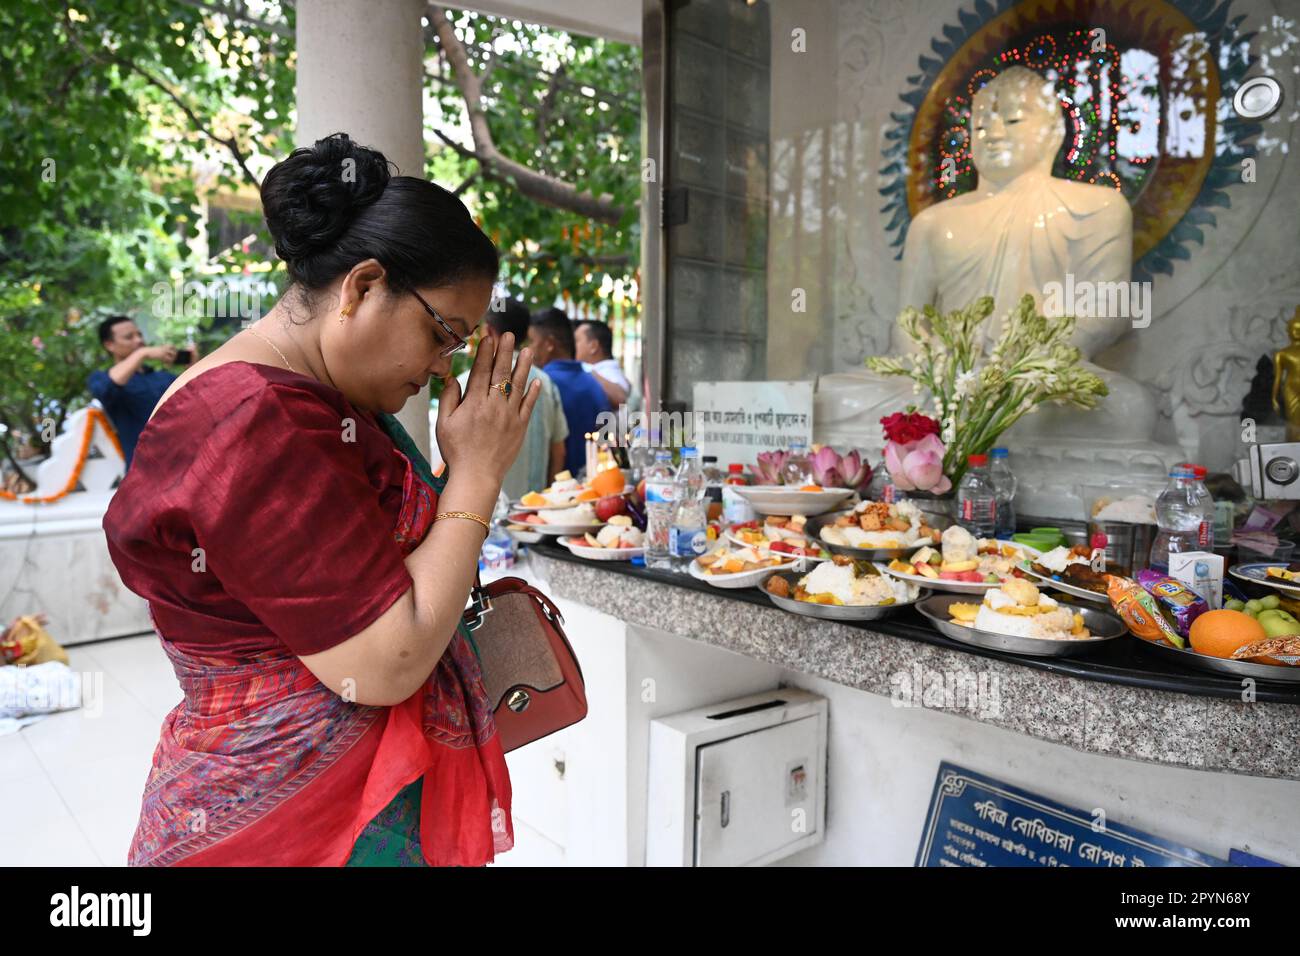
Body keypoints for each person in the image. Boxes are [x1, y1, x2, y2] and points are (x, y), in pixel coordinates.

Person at [101, 132, 542, 867]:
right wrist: (476, 474)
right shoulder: (258, 416)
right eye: (442, 335)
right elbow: (386, 662)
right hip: (295, 819)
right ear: (364, 287)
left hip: (330, 798)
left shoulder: (307, 398)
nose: (440, 370)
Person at [457, 298, 567, 499]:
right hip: (533, 515)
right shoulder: (545, 383)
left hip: (479, 515)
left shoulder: (467, 383)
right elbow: (558, 449)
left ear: (489, 331)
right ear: (526, 333)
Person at [88, 316, 200, 468]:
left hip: (187, 463)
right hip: (145, 471)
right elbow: (105, 390)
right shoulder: (101, 378)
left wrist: (193, 368)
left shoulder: (164, 377)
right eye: (129, 337)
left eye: (139, 335)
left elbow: (198, 402)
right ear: (109, 345)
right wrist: (142, 354)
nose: (138, 340)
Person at [527, 307, 610, 475]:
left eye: (530, 342)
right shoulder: (594, 384)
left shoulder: (541, 386)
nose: (527, 350)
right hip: (595, 487)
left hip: (556, 493)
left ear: (549, 344)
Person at [574, 319, 630, 407]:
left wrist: (586, 370)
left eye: (576, 341)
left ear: (593, 346)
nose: (573, 346)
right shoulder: (601, 371)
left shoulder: (610, 374)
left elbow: (620, 398)